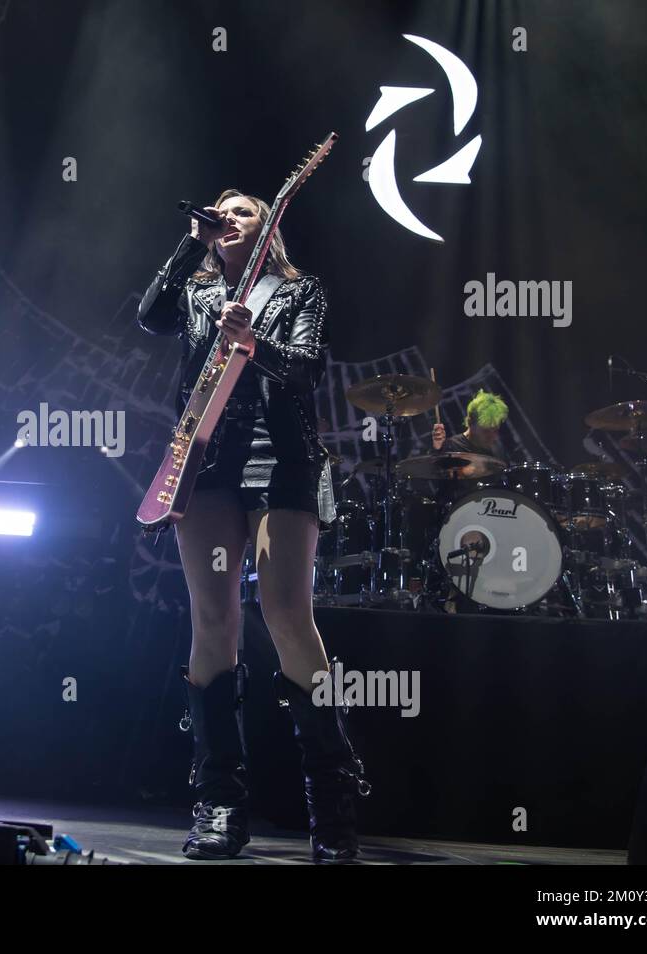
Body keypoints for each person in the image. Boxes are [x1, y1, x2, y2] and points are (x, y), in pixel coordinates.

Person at [137, 189, 368, 861]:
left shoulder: (300, 291)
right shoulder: (199, 291)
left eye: (240, 211)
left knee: (288, 615)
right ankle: (217, 804)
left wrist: (251, 341)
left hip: (281, 464)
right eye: (218, 211)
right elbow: (149, 317)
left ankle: (333, 810)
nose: (225, 217)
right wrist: (189, 244)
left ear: (269, 228)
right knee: (212, 623)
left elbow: (305, 368)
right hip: (207, 464)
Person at [431, 390, 510, 458]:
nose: (492, 437)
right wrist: (437, 449)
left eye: (495, 431)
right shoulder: (452, 447)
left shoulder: (497, 449)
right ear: (470, 422)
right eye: (486, 431)